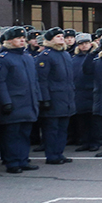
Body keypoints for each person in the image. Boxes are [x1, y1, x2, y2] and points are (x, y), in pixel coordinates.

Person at [0, 26, 41, 173]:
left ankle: (23, 160)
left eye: (22, 38)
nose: (22, 41)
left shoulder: (27, 57)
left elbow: (34, 81)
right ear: (9, 41)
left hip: (28, 102)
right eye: (18, 39)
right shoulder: (3, 59)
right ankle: (12, 162)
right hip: (13, 103)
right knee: (11, 135)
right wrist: (5, 102)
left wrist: (38, 98)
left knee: (24, 134)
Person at [34, 28, 76, 165]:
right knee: (52, 129)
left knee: (63, 128)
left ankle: (59, 153)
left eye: (61, 36)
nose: (61, 38)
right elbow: (42, 80)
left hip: (66, 97)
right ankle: (52, 155)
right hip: (53, 98)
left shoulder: (65, 54)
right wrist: (45, 99)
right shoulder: (46, 55)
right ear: (50, 39)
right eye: (58, 36)